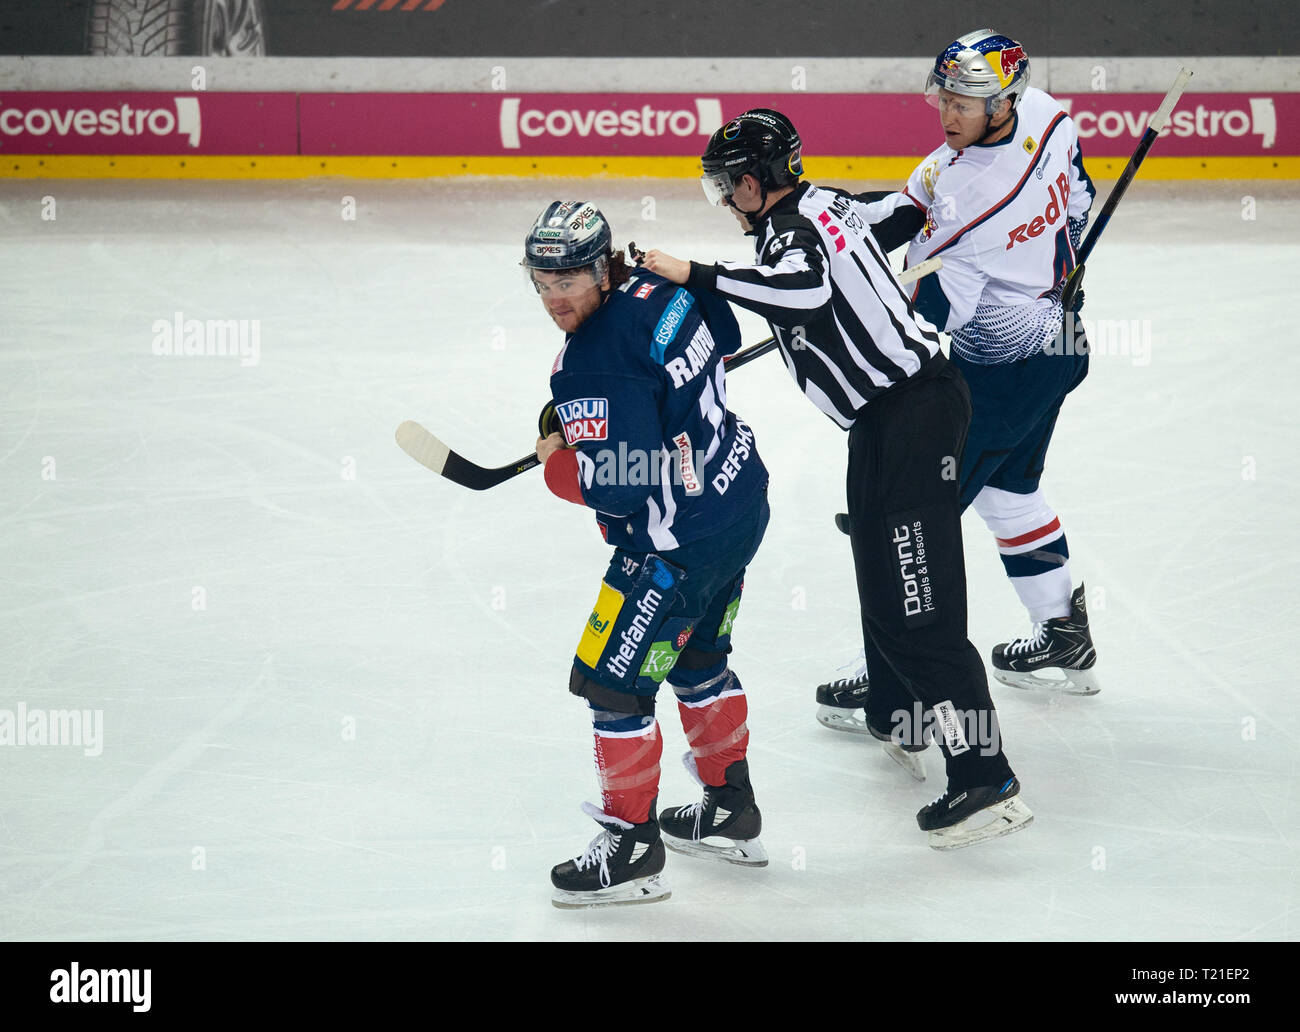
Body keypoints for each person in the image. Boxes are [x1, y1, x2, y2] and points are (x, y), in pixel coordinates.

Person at [641, 110, 1032, 850]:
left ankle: (986, 776)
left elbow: (805, 291)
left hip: (908, 420)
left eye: (728, 187)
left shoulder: (789, 237)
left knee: (920, 612)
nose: (726, 201)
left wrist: (697, 274)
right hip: (894, 421)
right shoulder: (826, 204)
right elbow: (893, 216)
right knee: (884, 583)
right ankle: (901, 710)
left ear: (754, 183)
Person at [816, 30, 1100, 739]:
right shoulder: (1049, 114)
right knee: (1012, 489)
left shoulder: (972, 185)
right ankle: (1062, 630)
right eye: (944, 94)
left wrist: (821, 272)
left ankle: (898, 680)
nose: (948, 110)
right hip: (1060, 343)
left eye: (966, 101)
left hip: (996, 373)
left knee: (915, 518)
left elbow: (913, 272)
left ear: (1002, 101)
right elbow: (1080, 198)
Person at [526, 200, 772, 908]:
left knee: (616, 684)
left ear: (602, 267)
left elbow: (624, 488)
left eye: (569, 280)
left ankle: (631, 847)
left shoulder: (590, 364)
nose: (556, 298)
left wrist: (557, 461)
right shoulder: (662, 285)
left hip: (672, 548)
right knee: (697, 659)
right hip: (737, 506)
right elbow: (722, 335)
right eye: (542, 283)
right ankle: (730, 809)